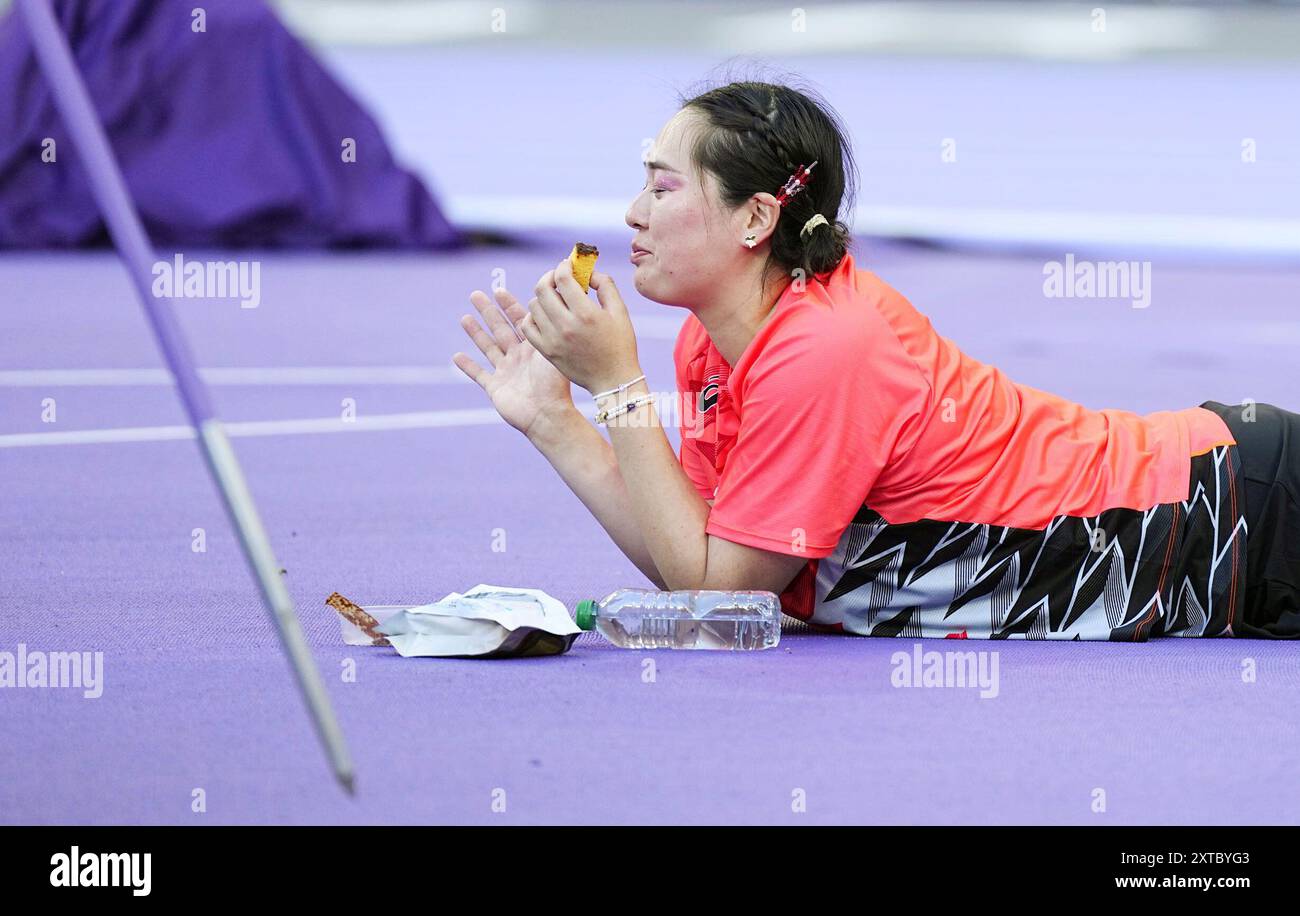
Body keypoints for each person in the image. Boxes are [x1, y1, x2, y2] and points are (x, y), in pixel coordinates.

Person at [453, 79, 1300, 641]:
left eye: (663, 187)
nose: (632, 213)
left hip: (1236, 520)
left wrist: (618, 389)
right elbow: (699, 564)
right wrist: (560, 423)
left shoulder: (827, 347)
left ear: (755, 221)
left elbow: (721, 592)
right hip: (1223, 531)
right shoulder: (710, 342)